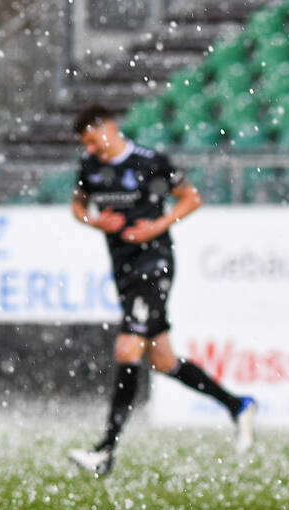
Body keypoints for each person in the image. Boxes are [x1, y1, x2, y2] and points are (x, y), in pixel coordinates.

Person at [67, 104, 256, 475]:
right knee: (164, 360)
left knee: (127, 347)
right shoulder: (91, 167)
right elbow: (78, 205)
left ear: (109, 127)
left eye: (93, 140)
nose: (92, 149)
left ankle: (106, 450)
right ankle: (238, 405)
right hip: (123, 267)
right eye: (86, 144)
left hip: (154, 263)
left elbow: (191, 198)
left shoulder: (150, 162)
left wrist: (157, 226)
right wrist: (94, 220)